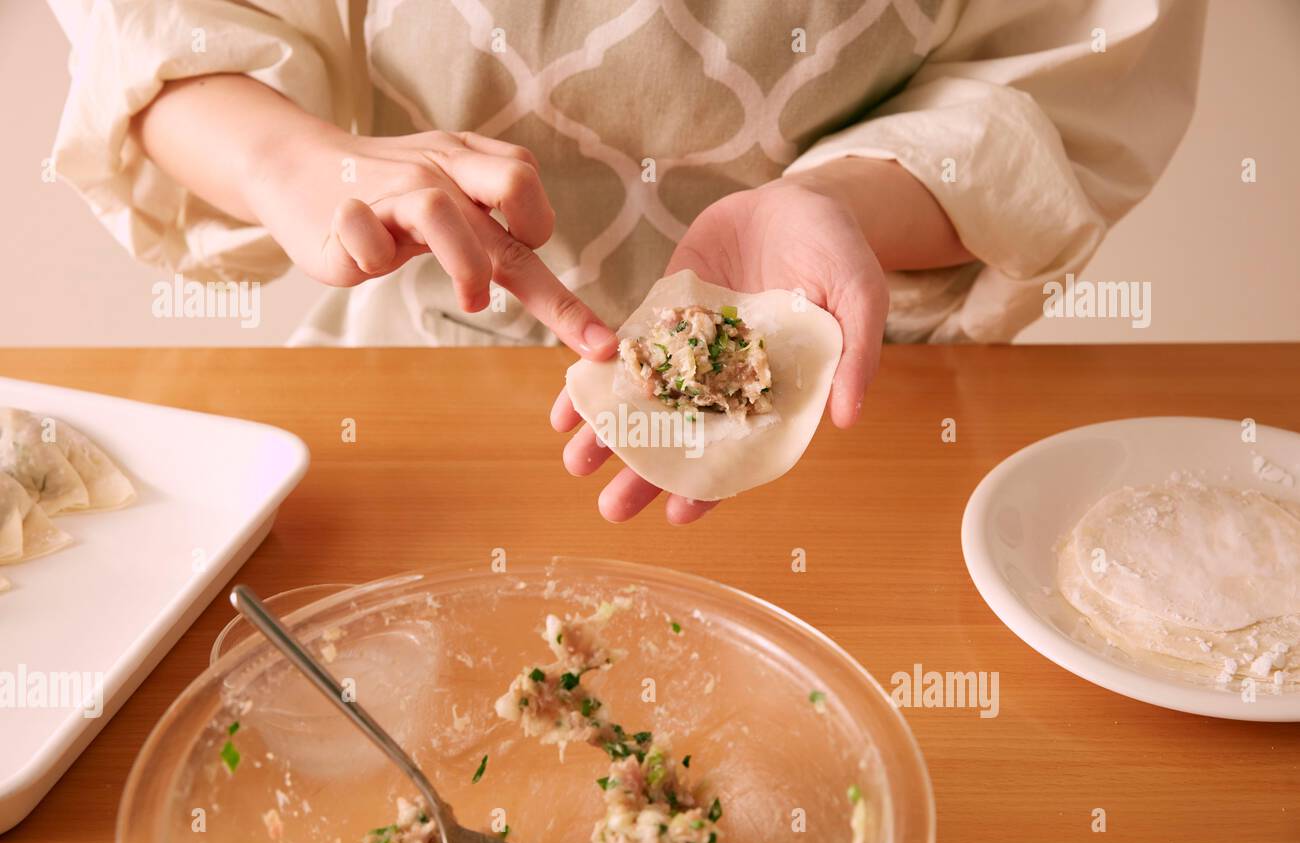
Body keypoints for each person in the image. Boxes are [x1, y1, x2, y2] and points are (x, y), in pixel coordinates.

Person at [47, 0, 1205, 522]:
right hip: (406, 404)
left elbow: (1066, 84)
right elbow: (152, 29)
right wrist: (293, 158)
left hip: (852, 404)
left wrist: (826, 203)